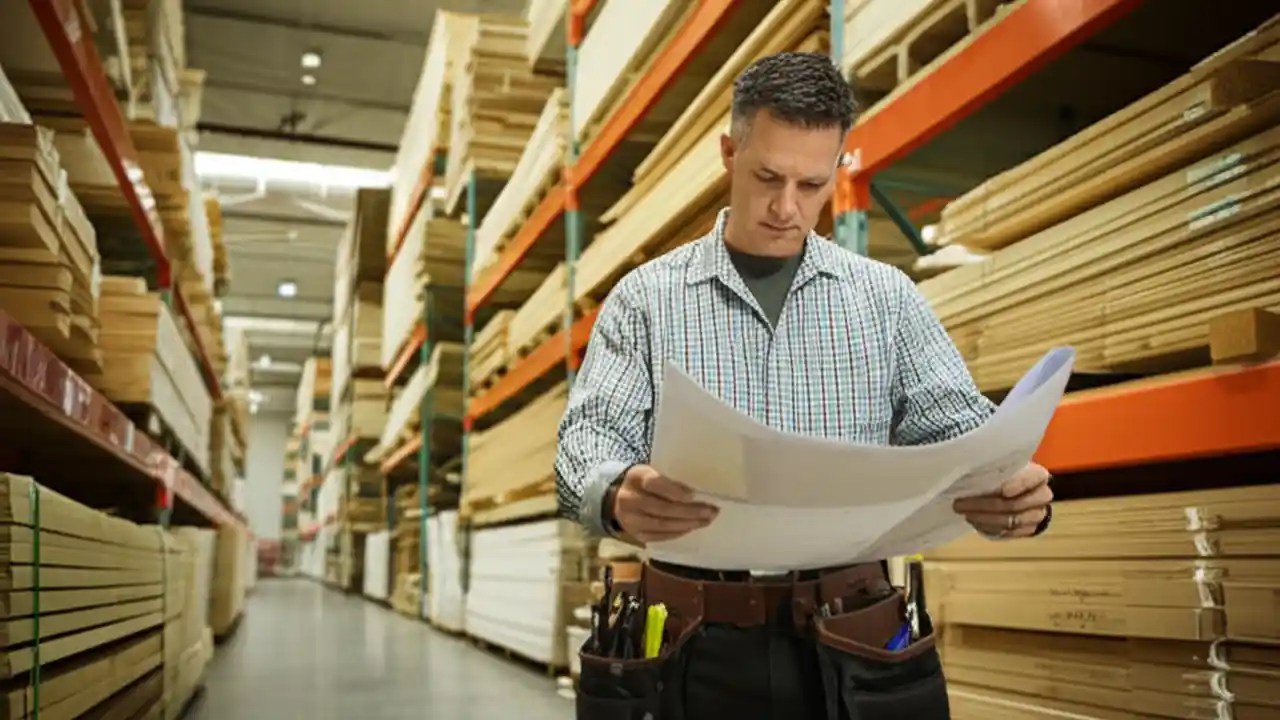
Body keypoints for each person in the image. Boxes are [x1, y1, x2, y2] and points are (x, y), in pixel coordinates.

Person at [555, 51, 1052, 719]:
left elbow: (959, 426)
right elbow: (586, 438)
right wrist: (614, 491)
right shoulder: (646, 299)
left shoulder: (886, 299)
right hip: (692, 645)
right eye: (768, 176)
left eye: (812, 185)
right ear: (729, 153)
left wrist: (1012, 488)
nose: (788, 208)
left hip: (855, 642)